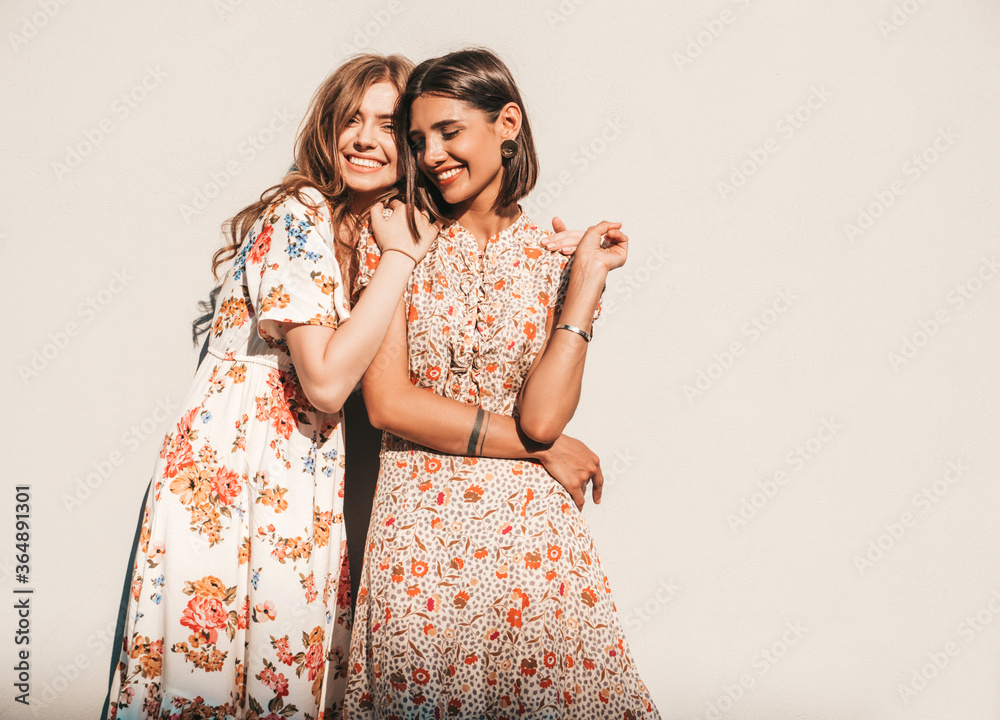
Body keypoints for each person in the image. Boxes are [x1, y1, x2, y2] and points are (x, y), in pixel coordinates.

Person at [103, 53, 444, 719]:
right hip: (237, 473)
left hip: (298, 474)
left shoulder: (362, 234)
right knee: (210, 679)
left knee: (280, 676)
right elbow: (322, 379)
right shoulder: (301, 211)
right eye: (352, 120)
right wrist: (403, 257)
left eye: (388, 125)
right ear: (327, 128)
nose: (366, 139)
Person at [344, 48, 660, 718]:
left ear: (506, 123)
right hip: (420, 542)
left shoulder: (554, 261)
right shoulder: (396, 240)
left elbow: (545, 418)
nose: (431, 154)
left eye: (449, 132)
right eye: (419, 140)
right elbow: (390, 403)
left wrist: (585, 284)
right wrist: (542, 449)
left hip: (533, 548)